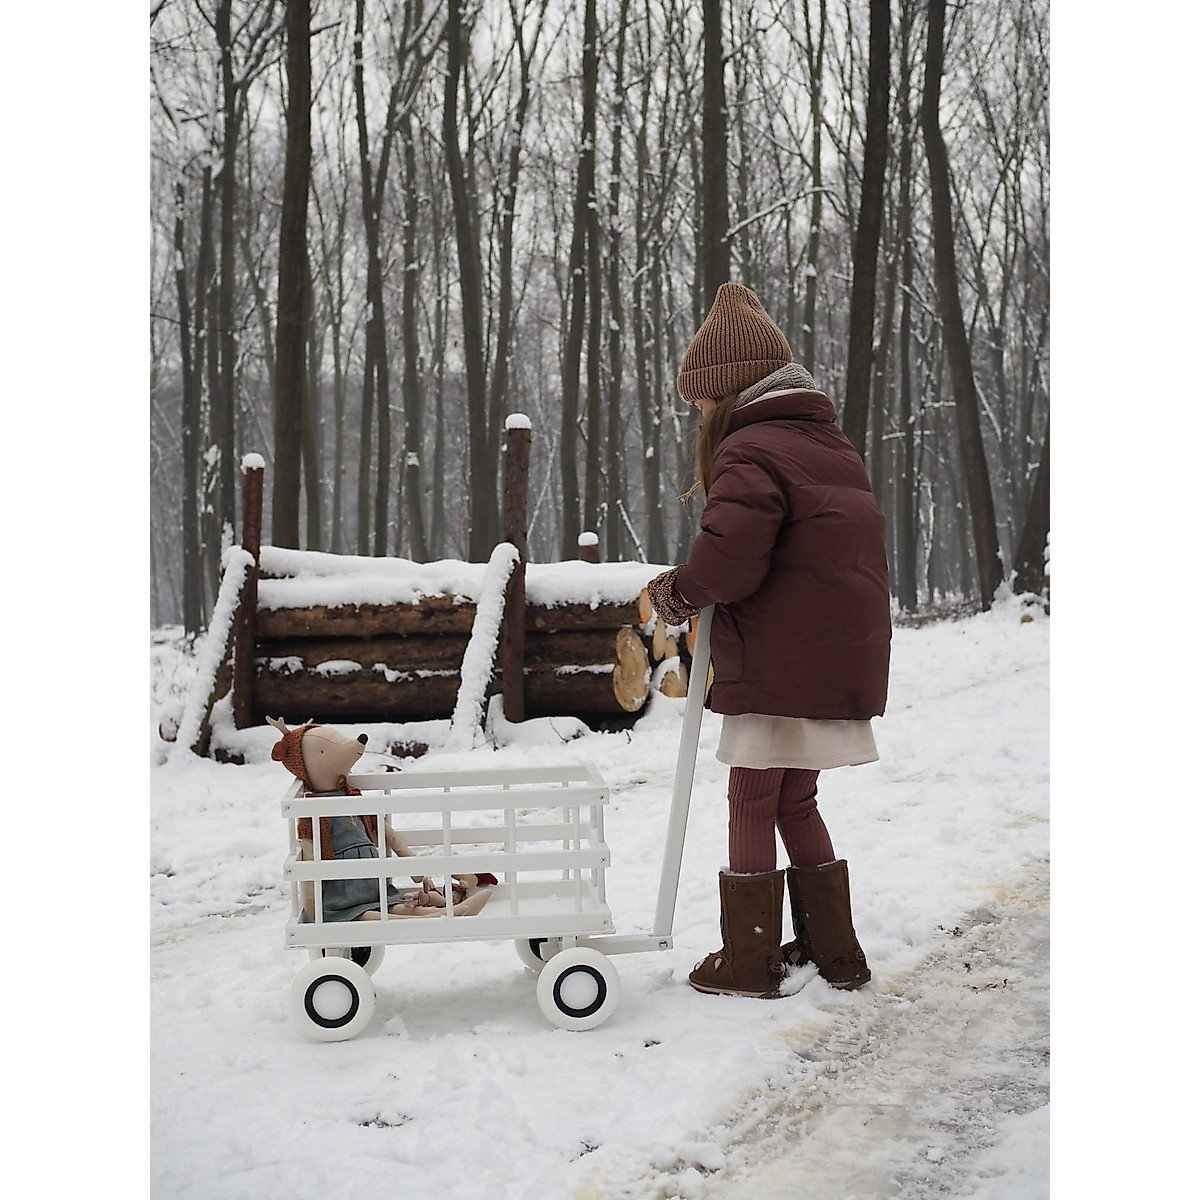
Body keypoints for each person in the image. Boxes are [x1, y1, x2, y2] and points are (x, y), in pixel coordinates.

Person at [646, 282, 891, 999]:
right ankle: (835, 951)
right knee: (795, 800)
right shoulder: (826, 442)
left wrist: (676, 592)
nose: (696, 415)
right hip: (832, 649)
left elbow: (729, 562)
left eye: (699, 401)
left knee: (753, 798)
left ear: (726, 392)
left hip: (781, 656)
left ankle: (749, 961)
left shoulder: (750, 449)